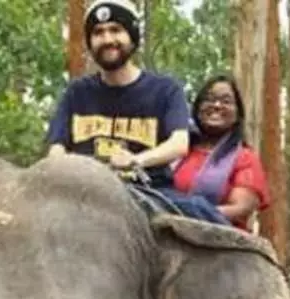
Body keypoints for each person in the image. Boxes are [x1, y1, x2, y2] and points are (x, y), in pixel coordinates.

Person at [46, 0, 189, 189]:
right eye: (98, 32)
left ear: (132, 36)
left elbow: (179, 143)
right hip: (83, 193)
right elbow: (56, 149)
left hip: (148, 192)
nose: (107, 39)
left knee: (203, 212)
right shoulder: (76, 92)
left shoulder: (165, 90)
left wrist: (136, 160)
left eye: (115, 30)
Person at [171, 75, 270, 231]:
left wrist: (187, 214)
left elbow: (240, 209)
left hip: (220, 243)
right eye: (209, 99)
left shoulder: (245, 158)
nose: (216, 105)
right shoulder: (176, 150)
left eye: (226, 101)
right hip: (167, 233)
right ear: (197, 108)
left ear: (238, 114)